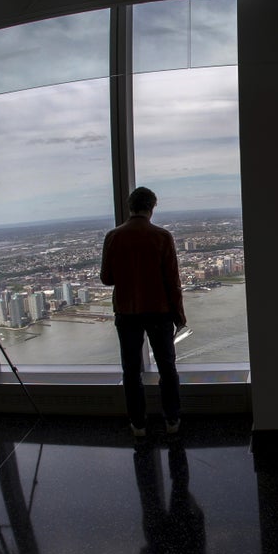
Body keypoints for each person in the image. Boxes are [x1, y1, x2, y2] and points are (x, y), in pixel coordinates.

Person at [100, 186, 187, 436]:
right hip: (159, 312)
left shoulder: (113, 236)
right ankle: (172, 419)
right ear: (152, 207)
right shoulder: (161, 236)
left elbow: (107, 278)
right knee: (167, 368)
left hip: (126, 312)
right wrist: (179, 315)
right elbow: (173, 282)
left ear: (130, 207)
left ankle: (138, 423)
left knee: (131, 370)